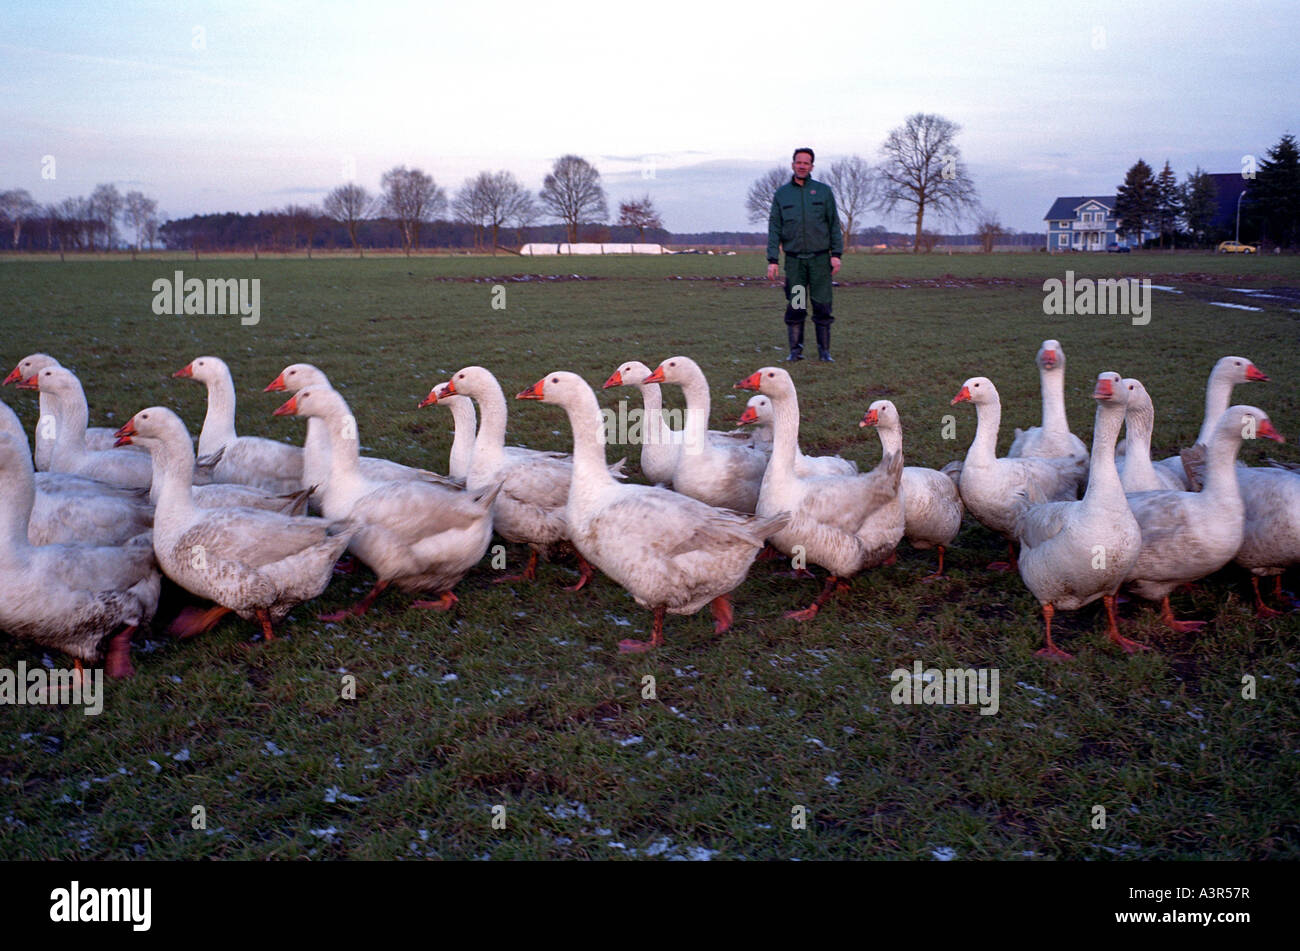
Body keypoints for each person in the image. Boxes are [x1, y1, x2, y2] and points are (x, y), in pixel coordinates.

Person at [766, 148, 843, 362]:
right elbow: (775, 228)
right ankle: (795, 351)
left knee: (822, 305)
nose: (802, 166)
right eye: (798, 162)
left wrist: (836, 254)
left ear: (812, 167)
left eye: (806, 163)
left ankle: (824, 352)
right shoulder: (782, 194)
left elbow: (834, 225)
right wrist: (773, 260)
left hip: (820, 262)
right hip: (796, 263)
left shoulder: (823, 192)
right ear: (792, 165)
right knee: (797, 304)